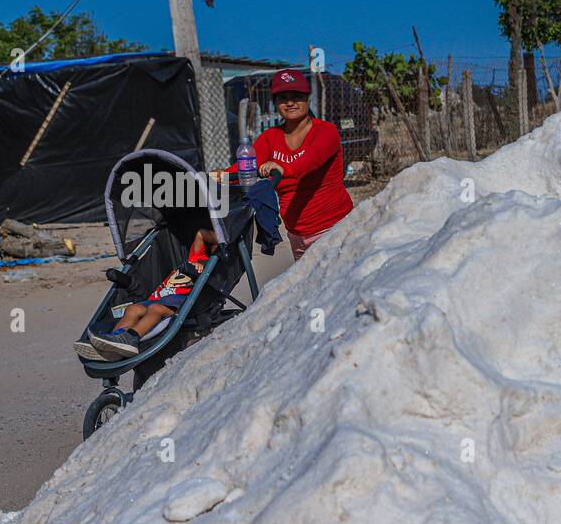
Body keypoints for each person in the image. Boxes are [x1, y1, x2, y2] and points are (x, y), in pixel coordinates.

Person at [219, 69, 354, 259]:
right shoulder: (270, 137)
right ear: (275, 103)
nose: (290, 102)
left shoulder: (326, 131)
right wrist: (217, 178)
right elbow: (244, 169)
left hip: (335, 228)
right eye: (283, 98)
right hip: (297, 235)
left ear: (307, 97)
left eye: (296, 96)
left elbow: (311, 160)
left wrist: (284, 168)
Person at [75, 228, 217, 360]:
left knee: (156, 309)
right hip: (157, 298)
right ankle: (113, 342)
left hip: (177, 303)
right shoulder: (196, 257)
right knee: (133, 309)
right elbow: (200, 234)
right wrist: (222, 237)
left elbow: (209, 289)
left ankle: (131, 338)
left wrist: (208, 264)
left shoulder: (212, 269)